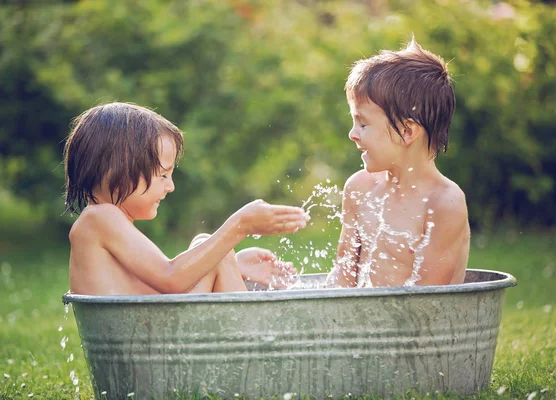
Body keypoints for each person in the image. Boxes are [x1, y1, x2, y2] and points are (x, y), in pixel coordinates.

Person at [64, 102, 308, 295]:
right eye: (162, 175)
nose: (170, 187)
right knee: (211, 247)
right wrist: (240, 225)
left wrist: (234, 263)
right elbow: (171, 279)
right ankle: (255, 344)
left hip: (147, 337)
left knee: (208, 244)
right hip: (147, 346)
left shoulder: (105, 222)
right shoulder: (100, 218)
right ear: (119, 169)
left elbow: (147, 291)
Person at [327, 38, 470, 288]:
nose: (352, 133)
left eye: (363, 123)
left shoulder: (444, 203)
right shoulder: (360, 188)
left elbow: (428, 301)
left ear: (406, 132)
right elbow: (344, 277)